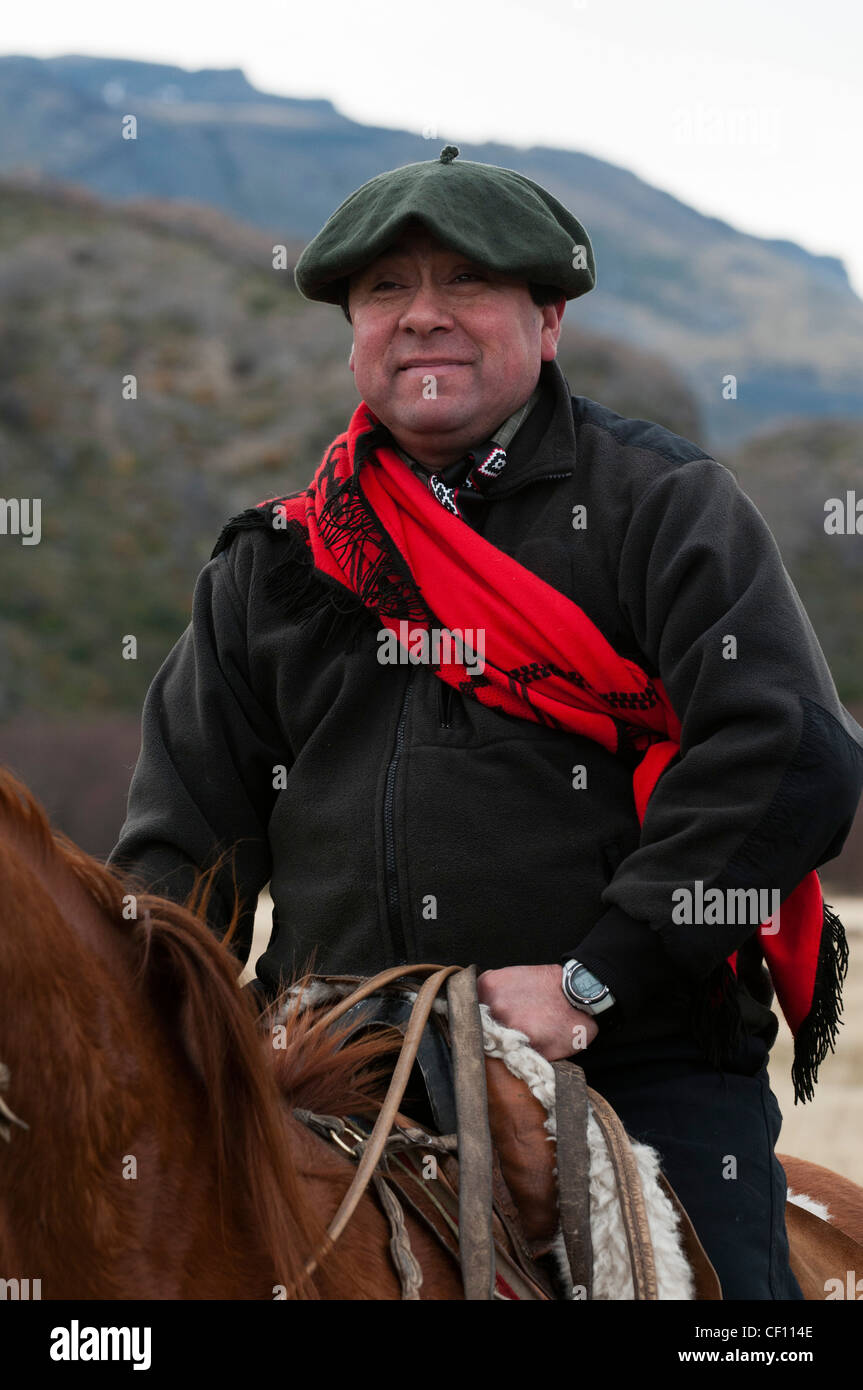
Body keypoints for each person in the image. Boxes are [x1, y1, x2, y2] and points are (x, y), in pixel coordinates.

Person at [110, 146, 863, 1299]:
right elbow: (181, 844)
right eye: (384, 291)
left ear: (547, 316)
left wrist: (589, 980)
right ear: (352, 327)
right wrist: (150, 1029)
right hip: (329, 1064)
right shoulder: (274, 562)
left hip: (637, 1058)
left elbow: (788, 760)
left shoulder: (662, 510)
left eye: (463, 283)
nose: (421, 318)